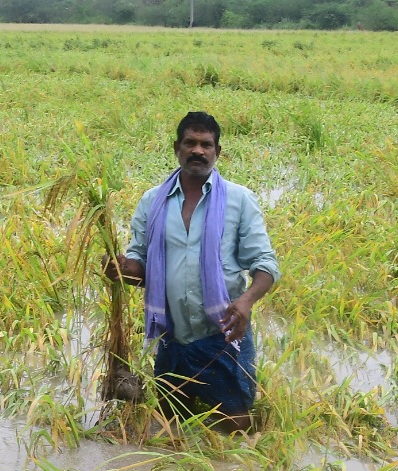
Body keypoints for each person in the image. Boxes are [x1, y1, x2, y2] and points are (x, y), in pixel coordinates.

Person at [107, 112, 280, 432]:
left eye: (206, 144)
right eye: (190, 143)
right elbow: (140, 266)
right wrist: (122, 269)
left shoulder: (239, 201)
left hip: (222, 334)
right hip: (172, 337)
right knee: (169, 425)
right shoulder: (152, 202)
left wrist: (246, 301)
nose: (198, 150)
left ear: (217, 152)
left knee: (235, 426)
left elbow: (266, 264)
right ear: (177, 148)